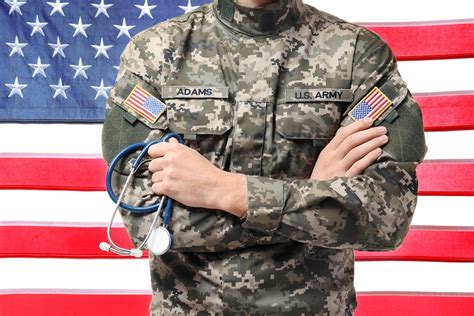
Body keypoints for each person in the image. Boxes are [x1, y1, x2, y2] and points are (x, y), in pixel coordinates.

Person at [101, 0, 428, 314]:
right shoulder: (156, 52)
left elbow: (387, 219)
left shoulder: (358, 54)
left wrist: (224, 191)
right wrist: (313, 193)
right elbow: (146, 221)